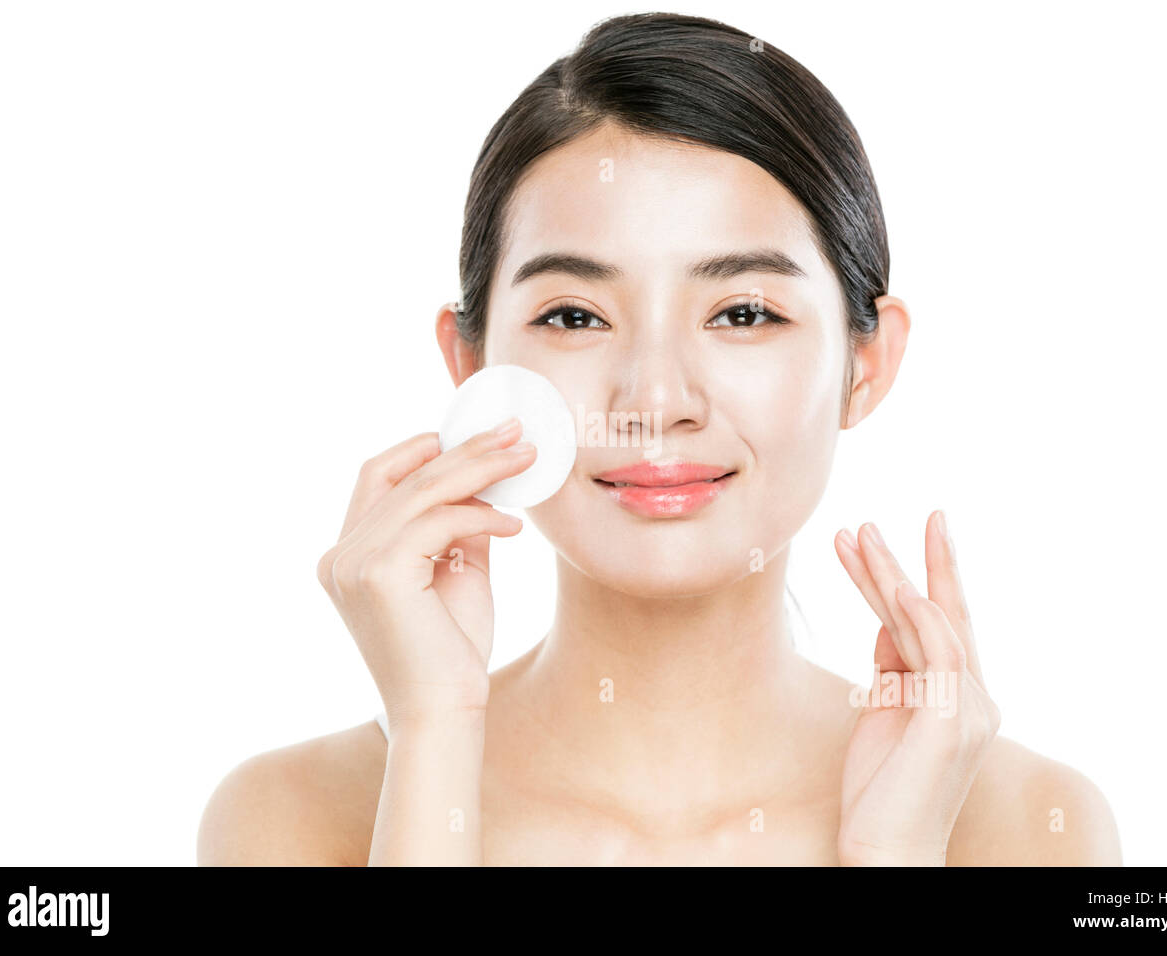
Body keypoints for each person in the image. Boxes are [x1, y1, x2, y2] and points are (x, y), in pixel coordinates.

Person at [198, 12, 1120, 866]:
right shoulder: (296, 818)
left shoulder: (1024, 825)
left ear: (867, 364)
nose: (654, 398)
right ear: (473, 366)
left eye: (744, 311)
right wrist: (435, 736)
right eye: (574, 315)